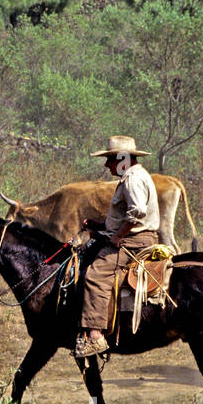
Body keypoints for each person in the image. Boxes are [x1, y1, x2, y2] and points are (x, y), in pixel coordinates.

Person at [76, 136, 160, 357]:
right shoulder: (135, 176)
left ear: (123, 159)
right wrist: (100, 225)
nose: (107, 165)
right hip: (135, 236)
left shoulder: (132, 179)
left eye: (110, 160)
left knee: (96, 274)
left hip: (134, 241)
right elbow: (124, 215)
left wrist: (118, 236)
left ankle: (95, 335)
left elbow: (138, 212)